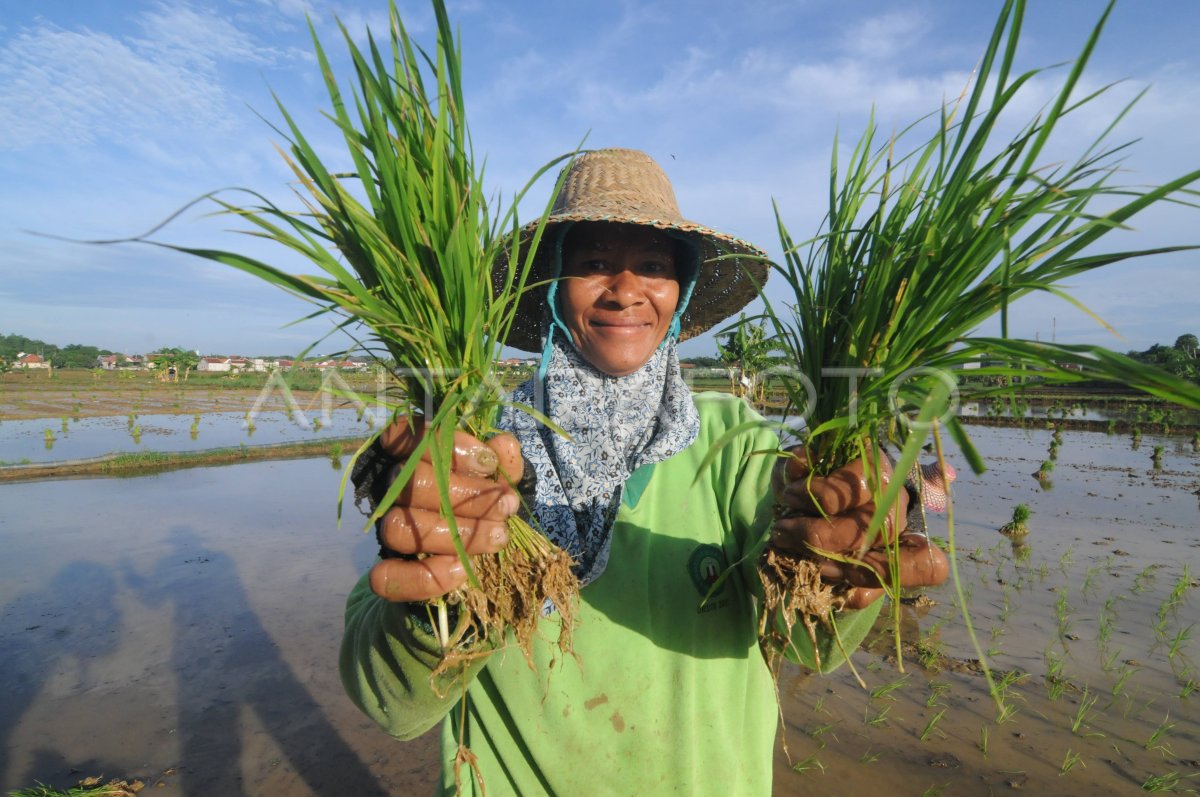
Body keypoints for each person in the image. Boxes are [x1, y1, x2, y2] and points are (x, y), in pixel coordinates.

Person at [340, 148, 949, 795]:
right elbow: (393, 705)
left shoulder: (735, 442)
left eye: (653, 266)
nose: (626, 289)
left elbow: (813, 645)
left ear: (680, 292)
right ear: (551, 287)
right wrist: (442, 588)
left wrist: (844, 551)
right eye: (594, 261)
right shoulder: (480, 454)